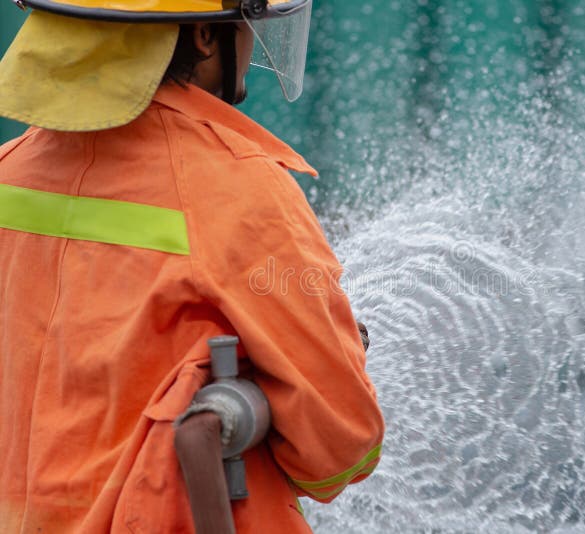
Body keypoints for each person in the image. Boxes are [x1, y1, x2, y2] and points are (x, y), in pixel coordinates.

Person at [0, 1, 384, 532]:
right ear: (205, 34)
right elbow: (339, 451)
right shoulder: (240, 191)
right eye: (248, 22)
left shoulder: (8, 172)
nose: (250, 43)